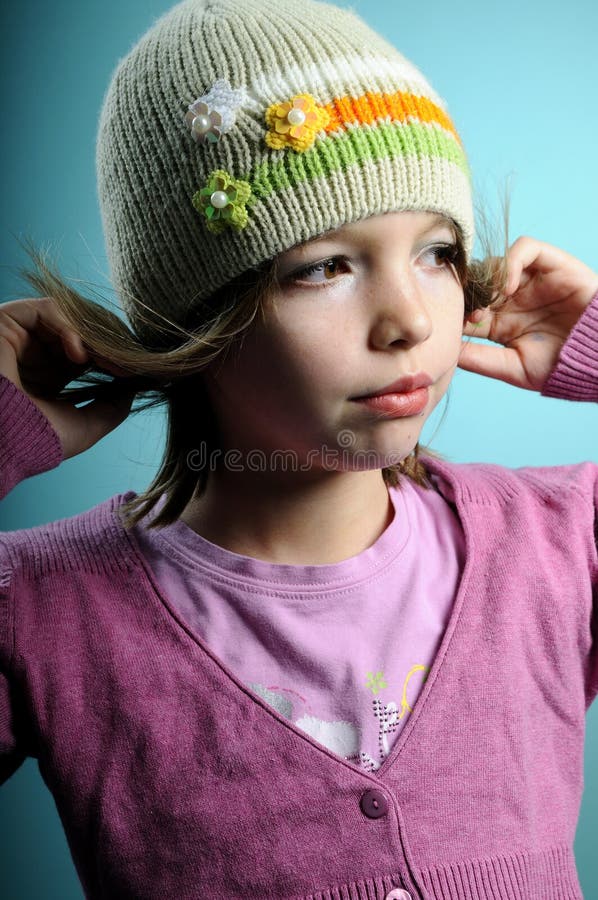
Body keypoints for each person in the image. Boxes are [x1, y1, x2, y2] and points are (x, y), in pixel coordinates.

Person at [1, 0, 597, 897]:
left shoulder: (560, 545)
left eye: (437, 252)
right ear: (197, 317)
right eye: (322, 266)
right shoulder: (40, 610)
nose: (408, 321)